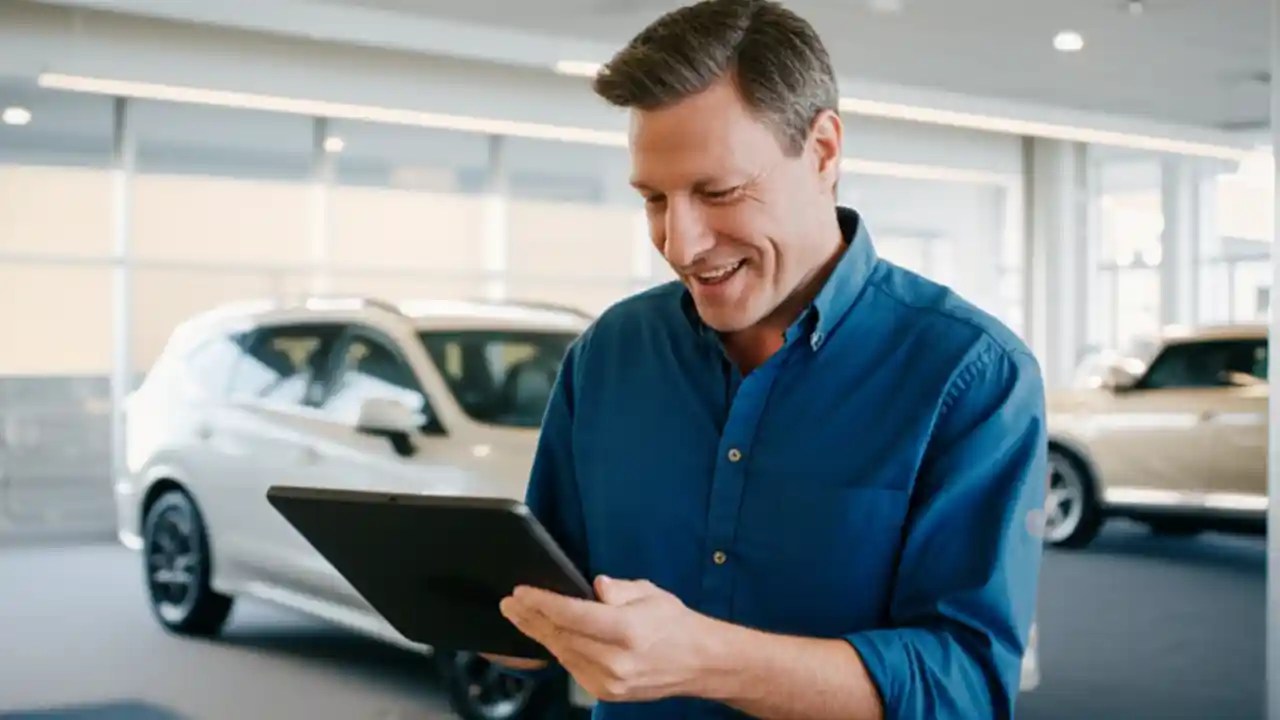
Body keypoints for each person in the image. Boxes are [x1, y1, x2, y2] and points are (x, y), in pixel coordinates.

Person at [493, 0, 1047, 717]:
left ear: (822, 152)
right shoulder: (610, 354)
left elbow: (963, 688)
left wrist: (705, 659)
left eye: (718, 192)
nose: (680, 243)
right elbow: (542, 606)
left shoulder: (971, 376)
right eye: (654, 198)